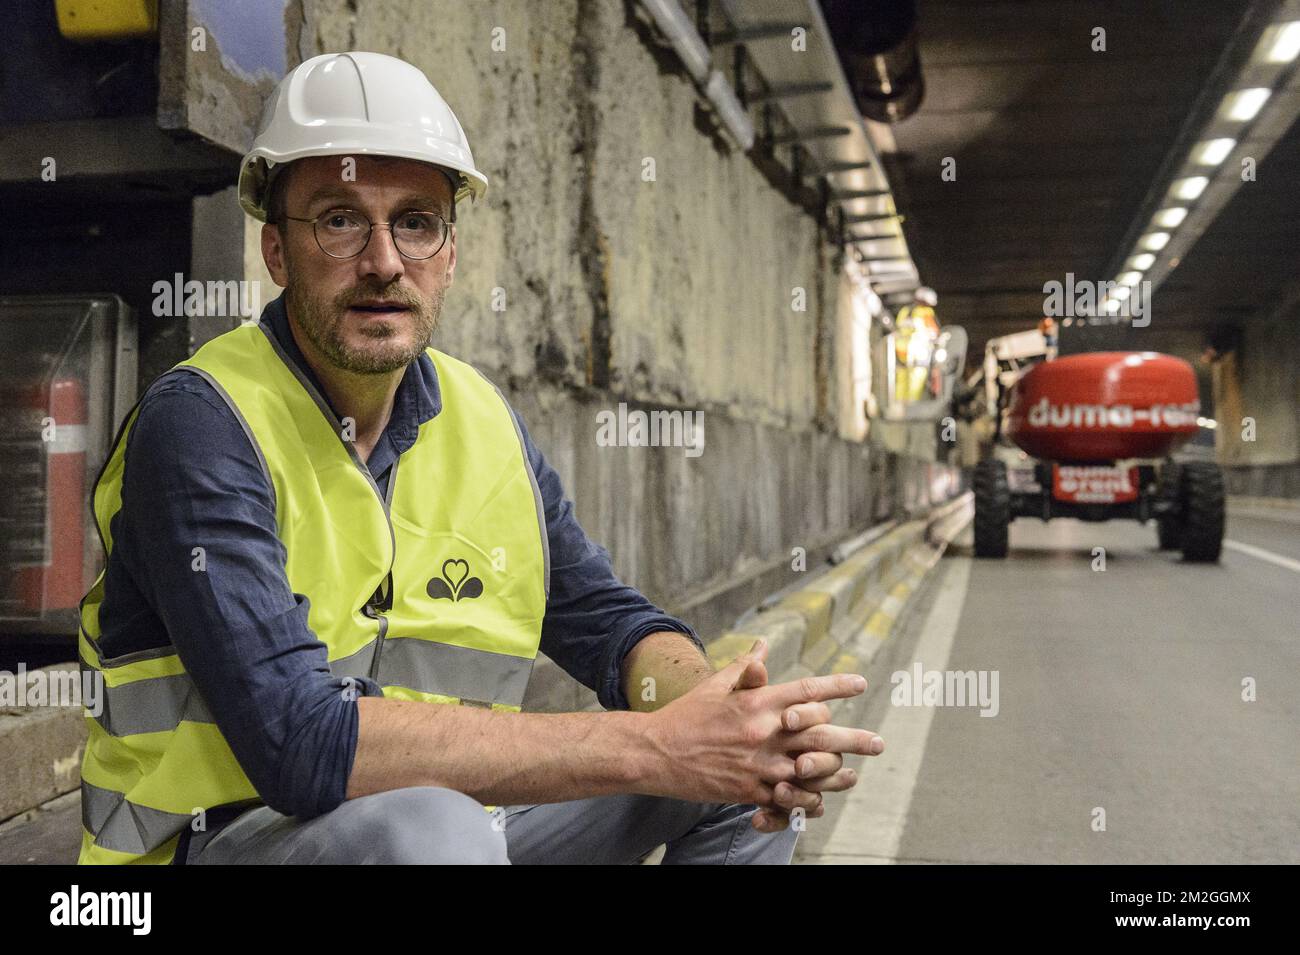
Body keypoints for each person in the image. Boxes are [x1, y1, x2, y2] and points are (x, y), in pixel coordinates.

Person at [76, 52, 883, 865]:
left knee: (730, 784)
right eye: (340, 219)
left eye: (416, 222)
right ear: (277, 254)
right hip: (218, 842)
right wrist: (657, 746)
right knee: (437, 831)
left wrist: (717, 713)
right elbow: (301, 743)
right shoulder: (203, 423)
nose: (384, 261)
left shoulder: (484, 420)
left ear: (449, 256)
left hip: (448, 833)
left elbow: (609, 624)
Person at [894, 287, 941, 402]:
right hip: (918, 354)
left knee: (902, 381)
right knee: (916, 381)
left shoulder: (905, 311)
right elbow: (934, 332)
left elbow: (898, 328)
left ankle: (899, 405)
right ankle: (910, 408)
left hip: (903, 353)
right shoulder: (925, 313)